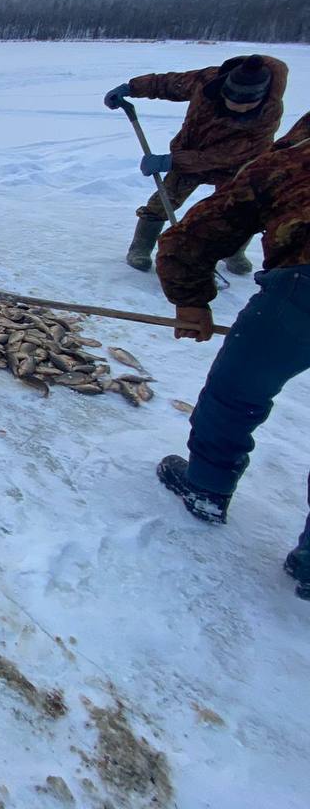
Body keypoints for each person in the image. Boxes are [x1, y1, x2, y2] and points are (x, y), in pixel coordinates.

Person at [153, 111, 310, 600]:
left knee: (236, 391)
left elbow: (193, 235)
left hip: (301, 291)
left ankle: (206, 486)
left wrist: (191, 300)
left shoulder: (289, 160)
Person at [104, 53, 287, 273]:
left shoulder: (269, 113)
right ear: (224, 91)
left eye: (249, 105)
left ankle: (234, 252)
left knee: (240, 210)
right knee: (163, 200)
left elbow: (228, 154)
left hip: (235, 166)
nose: (241, 108)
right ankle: (140, 248)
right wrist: (131, 88)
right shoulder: (207, 81)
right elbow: (170, 84)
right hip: (190, 151)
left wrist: (171, 161)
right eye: (235, 102)